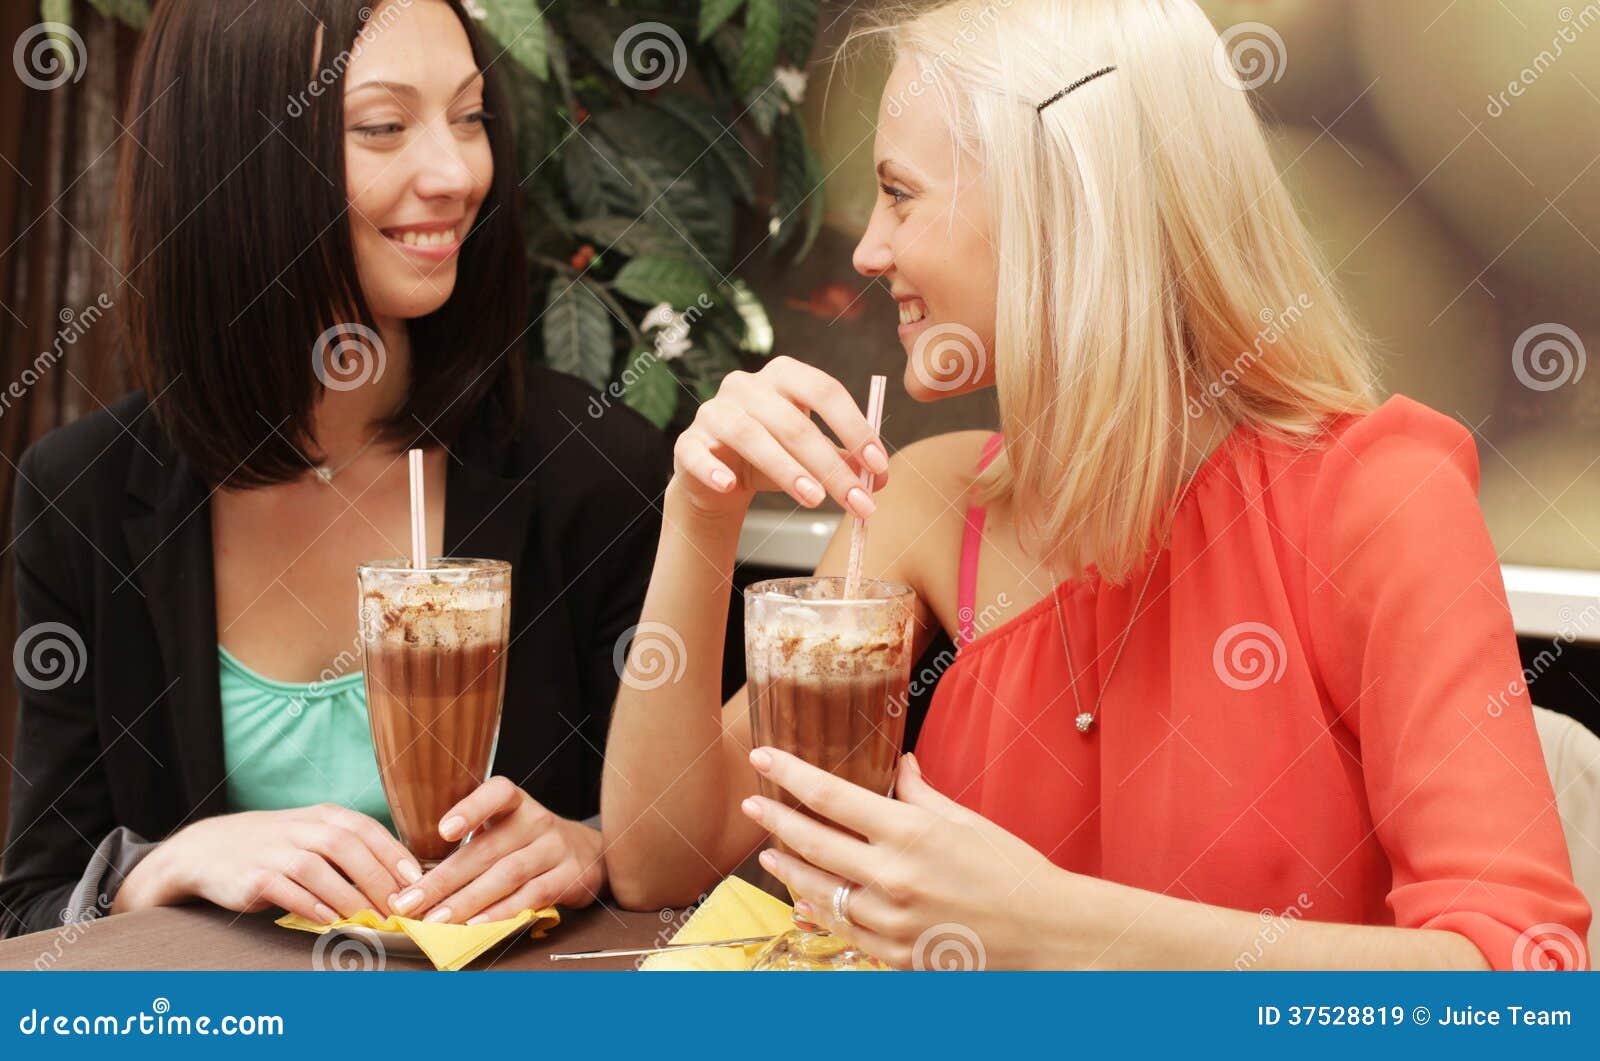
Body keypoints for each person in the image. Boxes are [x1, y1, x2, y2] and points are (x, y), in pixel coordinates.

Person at [599, 0, 1591, 969]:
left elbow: (1516, 980)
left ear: (1058, 206)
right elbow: (658, 860)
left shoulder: (1377, 500)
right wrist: (703, 507)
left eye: (900, 194)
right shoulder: (929, 505)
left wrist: (1056, 929)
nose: (869, 250)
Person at [1, 0, 669, 938]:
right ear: (230, 156)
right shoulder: (87, 493)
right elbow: (31, 913)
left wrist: (593, 847)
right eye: (384, 127)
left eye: (470, 116)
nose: (456, 172)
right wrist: (169, 862)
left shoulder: (596, 469)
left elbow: (713, 849)